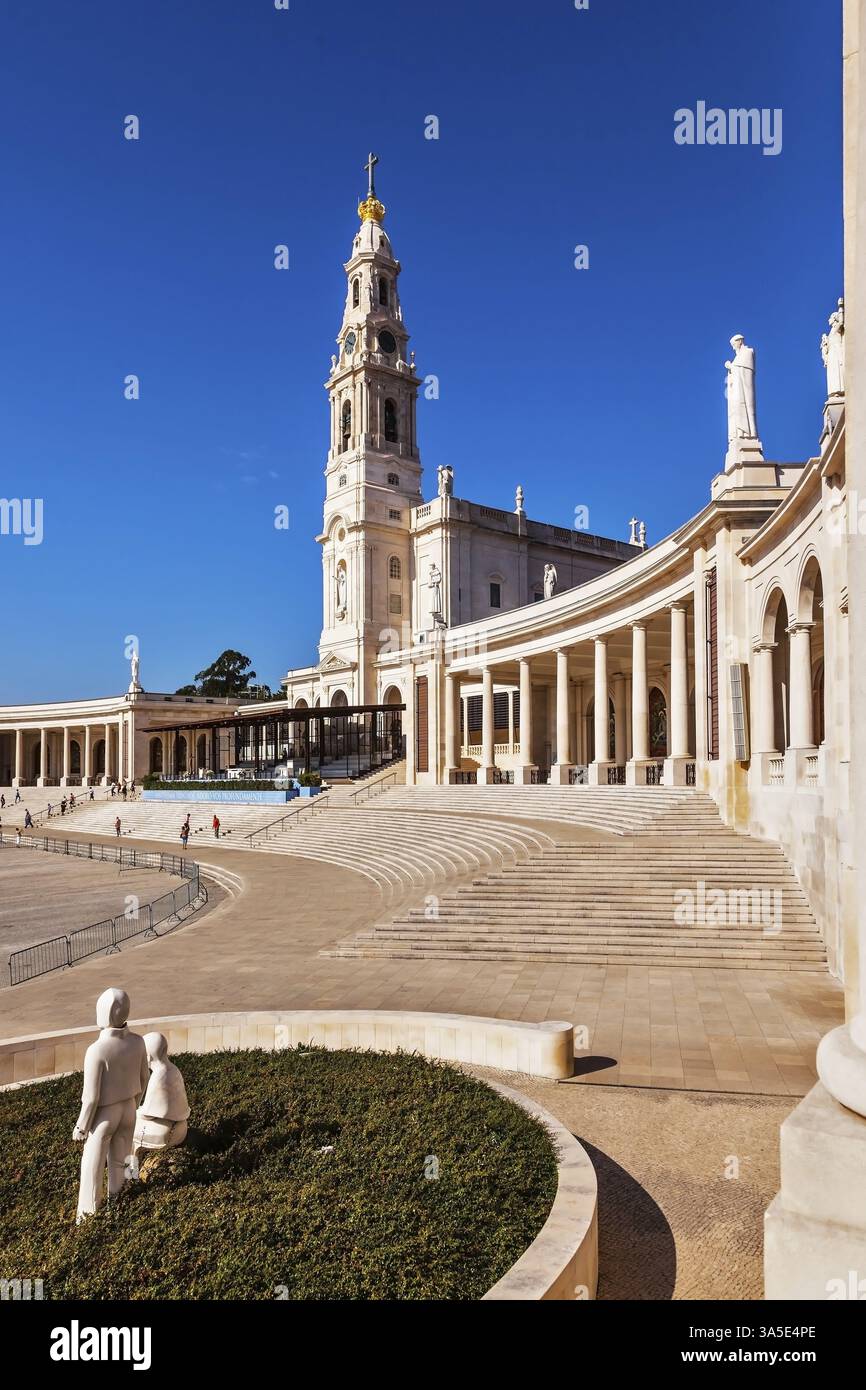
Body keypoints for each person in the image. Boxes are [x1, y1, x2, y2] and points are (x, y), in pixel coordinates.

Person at [73, 988, 150, 1222]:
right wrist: (135, 1102)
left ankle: (88, 1215)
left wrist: (82, 1127)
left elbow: (91, 1098)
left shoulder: (97, 1051)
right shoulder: (138, 1042)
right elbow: (144, 1077)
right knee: (126, 1158)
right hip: (129, 1109)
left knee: (93, 1166)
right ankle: (127, 1200)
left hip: (105, 1116)